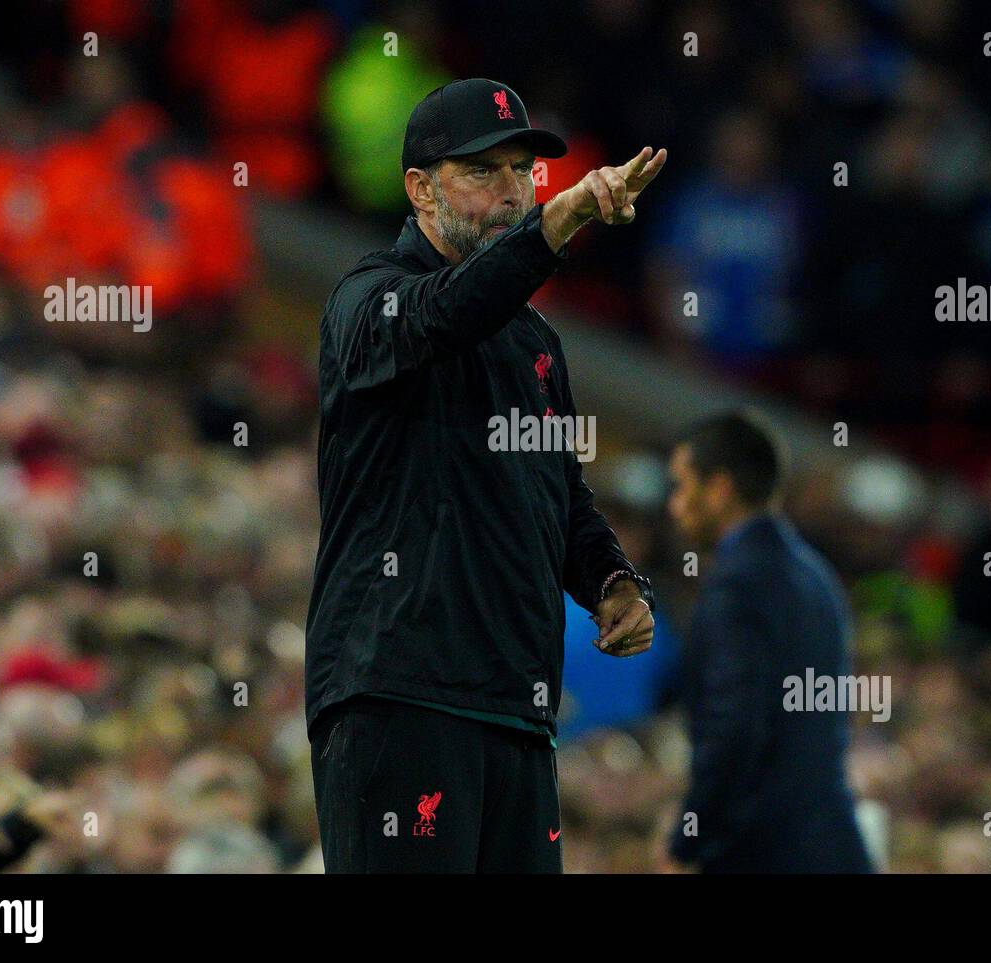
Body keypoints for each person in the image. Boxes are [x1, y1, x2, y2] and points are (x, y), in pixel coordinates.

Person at [306, 79, 666, 873]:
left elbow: (562, 495)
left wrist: (611, 579)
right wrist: (557, 223)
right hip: (399, 691)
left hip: (516, 706)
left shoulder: (537, 341)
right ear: (419, 189)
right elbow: (448, 312)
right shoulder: (369, 299)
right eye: (483, 171)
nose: (511, 191)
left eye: (522, 173)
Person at [659, 409, 873, 873]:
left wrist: (688, 840)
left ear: (719, 489)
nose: (675, 505)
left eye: (682, 485)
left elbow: (735, 728)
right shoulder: (816, 577)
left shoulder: (738, 583)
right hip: (833, 845)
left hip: (763, 852)